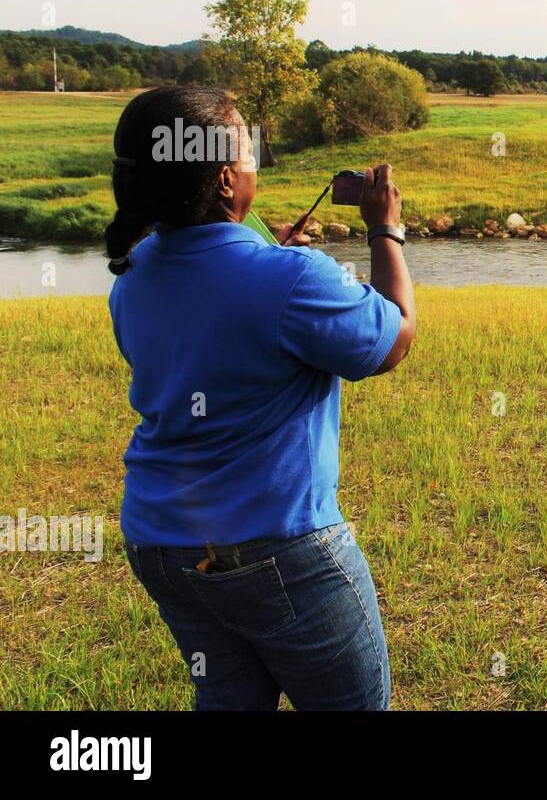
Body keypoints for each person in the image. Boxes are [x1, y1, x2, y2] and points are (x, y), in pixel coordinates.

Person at [105, 85, 416, 710]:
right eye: (249, 154)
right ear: (225, 178)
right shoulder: (290, 279)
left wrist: (271, 262)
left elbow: (218, 324)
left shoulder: (133, 271)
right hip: (278, 550)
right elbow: (394, 338)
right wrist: (386, 231)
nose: (256, 166)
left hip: (161, 542)